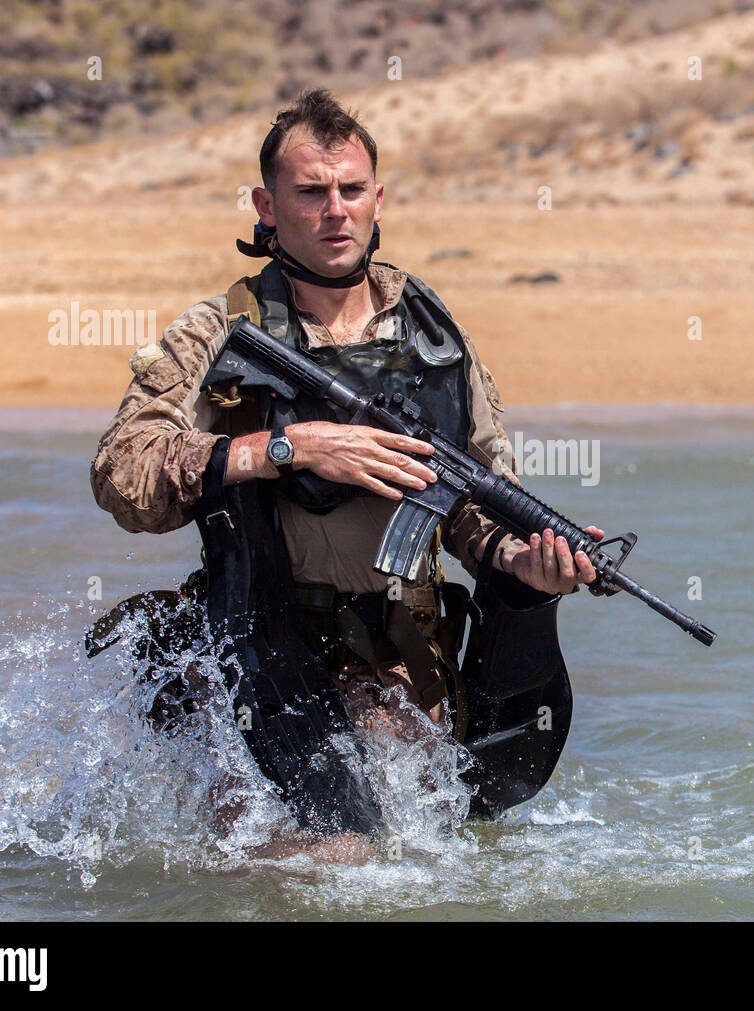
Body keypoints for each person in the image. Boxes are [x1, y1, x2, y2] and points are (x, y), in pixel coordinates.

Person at [89, 90, 602, 861]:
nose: (335, 210)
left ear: (378, 198)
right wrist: (288, 449)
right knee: (326, 856)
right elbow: (121, 475)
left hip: (396, 653)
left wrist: (522, 563)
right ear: (268, 204)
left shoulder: (435, 338)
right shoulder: (218, 335)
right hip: (254, 639)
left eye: (351, 190)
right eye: (311, 192)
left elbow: (471, 506)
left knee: (425, 850)